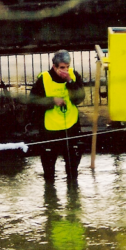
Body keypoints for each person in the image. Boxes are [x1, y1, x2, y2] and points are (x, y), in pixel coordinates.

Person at [30, 50, 86, 183]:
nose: (65, 71)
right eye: (61, 68)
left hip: (71, 126)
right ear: (54, 67)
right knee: (49, 173)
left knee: (73, 171)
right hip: (50, 129)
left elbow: (79, 99)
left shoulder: (73, 76)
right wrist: (51, 100)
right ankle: (50, 198)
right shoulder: (43, 79)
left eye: (67, 67)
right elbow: (32, 102)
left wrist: (69, 81)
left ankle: (73, 198)